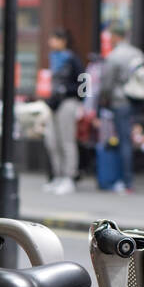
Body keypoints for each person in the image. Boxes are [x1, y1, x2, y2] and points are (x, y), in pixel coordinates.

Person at [98, 23, 144, 193]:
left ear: (116, 37)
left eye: (110, 36)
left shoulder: (115, 56)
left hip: (120, 102)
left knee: (123, 140)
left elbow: (106, 84)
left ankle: (126, 180)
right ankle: (127, 178)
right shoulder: (137, 54)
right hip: (136, 100)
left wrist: (103, 99)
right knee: (129, 138)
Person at [43, 28, 84, 195]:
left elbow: (83, 82)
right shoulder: (53, 58)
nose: (50, 43)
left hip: (67, 102)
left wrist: (75, 96)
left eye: (54, 39)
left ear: (63, 41)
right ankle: (57, 175)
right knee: (52, 141)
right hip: (53, 103)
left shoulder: (72, 59)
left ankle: (69, 176)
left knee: (66, 141)